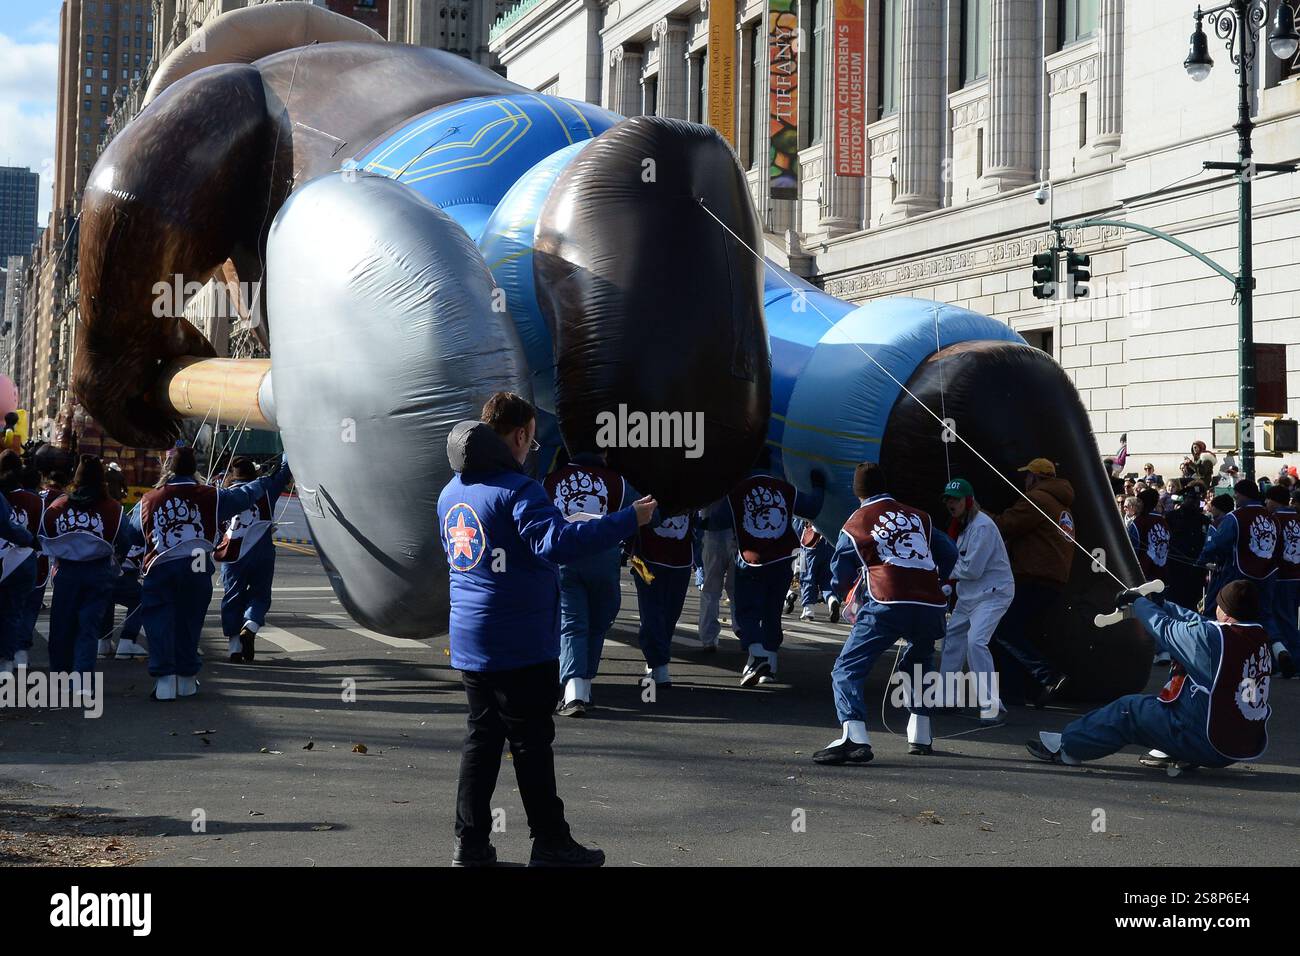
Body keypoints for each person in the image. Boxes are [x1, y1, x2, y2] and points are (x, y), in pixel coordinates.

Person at [438, 392, 656, 868]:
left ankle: (469, 843)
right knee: (532, 744)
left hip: (471, 638)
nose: (531, 448)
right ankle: (551, 841)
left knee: (481, 742)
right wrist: (627, 519)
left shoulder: (451, 492)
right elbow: (555, 543)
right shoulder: (518, 491)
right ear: (519, 435)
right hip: (519, 638)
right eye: (532, 439)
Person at [1027, 580, 1272, 771]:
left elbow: (1165, 628)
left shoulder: (1208, 639)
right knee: (1186, 694)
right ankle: (1172, 750)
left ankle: (1067, 748)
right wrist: (1161, 604)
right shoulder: (1257, 636)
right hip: (1241, 745)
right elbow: (1198, 623)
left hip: (1206, 743)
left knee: (1128, 709)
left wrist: (1140, 604)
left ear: (1226, 612)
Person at [814, 463, 958, 764]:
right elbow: (949, 552)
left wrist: (845, 595)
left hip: (888, 600)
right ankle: (921, 730)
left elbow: (839, 570)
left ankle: (854, 735)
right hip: (930, 603)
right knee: (920, 663)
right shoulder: (919, 516)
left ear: (858, 493)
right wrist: (936, 578)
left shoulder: (856, 522)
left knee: (848, 668)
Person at [131, 446, 291, 701]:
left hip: (161, 565)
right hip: (196, 565)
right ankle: (186, 680)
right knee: (189, 622)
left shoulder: (149, 499)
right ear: (194, 469)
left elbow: (131, 532)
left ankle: (164, 683)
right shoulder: (211, 495)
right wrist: (265, 480)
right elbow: (244, 496)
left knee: (159, 622)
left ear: (167, 468)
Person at [542, 449, 636, 715]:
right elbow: (642, 512)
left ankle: (573, 691)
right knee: (597, 623)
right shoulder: (617, 481)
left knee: (571, 624)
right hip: (604, 561)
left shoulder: (549, 481)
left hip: (565, 558)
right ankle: (584, 686)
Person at [721, 450, 825, 687]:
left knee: (746, 612)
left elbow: (719, 520)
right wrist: (819, 484)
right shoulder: (784, 489)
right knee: (772, 613)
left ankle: (756, 653)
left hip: (751, 561)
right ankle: (770, 666)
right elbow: (812, 507)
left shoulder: (736, 490)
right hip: (782, 561)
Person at [989, 458, 1074, 707]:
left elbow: (1005, 525)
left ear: (1035, 478)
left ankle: (1047, 675)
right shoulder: (1063, 506)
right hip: (1052, 579)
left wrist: (977, 512)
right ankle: (1019, 691)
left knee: (1002, 629)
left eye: (1027, 477)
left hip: (1032, 576)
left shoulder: (1037, 499)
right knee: (1020, 633)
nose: (1024, 481)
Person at [38, 456, 126, 694]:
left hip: (66, 571)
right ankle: (81, 678)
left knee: (62, 626)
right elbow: (125, 539)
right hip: (98, 571)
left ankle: (59, 676)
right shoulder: (112, 508)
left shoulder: (58, 506)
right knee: (89, 626)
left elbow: (44, 534)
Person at [937, 478, 1013, 721]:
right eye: (948, 499)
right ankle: (947, 698)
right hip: (972, 595)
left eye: (955, 499)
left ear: (968, 501)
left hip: (993, 593)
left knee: (975, 642)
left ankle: (993, 706)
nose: (950, 503)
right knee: (952, 641)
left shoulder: (981, 527)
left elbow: (972, 569)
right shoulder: (964, 526)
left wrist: (942, 569)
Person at [214, 457, 281, 664]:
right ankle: (250, 625)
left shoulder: (222, 495)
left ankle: (234, 646)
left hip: (233, 552)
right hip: (262, 550)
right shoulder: (267, 489)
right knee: (261, 594)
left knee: (232, 596)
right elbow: (286, 470)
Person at [1198, 478, 1276, 624]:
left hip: (1239, 576)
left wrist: (1202, 559)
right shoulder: (1271, 517)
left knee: (1229, 613)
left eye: (1237, 494)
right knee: (1264, 617)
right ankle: (1274, 646)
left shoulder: (1234, 517)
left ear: (1244, 495)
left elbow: (1217, 544)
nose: (1235, 497)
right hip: (1268, 576)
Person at [631, 511, 693, 687]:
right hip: (674, 558)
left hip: (651, 558)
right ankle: (658, 664)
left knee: (654, 611)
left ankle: (658, 664)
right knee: (664, 612)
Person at [99, 467, 147, 659]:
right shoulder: (119, 515)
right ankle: (127, 640)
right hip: (116, 570)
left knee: (107, 599)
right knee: (143, 597)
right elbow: (131, 543)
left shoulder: (87, 509)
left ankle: (102, 641)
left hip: (88, 571)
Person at [0, 452, 38, 674]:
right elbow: (7, 526)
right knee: (13, 612)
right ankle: (7, 661)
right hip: (19, 559)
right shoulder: (33, 500)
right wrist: (29, 540)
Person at [1263, 485, 1298, 677]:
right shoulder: (1297, 518)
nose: (1266, 503)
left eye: (1268, 500)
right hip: (1296, 573)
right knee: (1290, 618)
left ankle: (1291, 661)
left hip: (1280, 575)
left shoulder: (1274, 520)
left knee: (1281, 619)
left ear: (1274, 500)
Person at [695, 497, 735, 653]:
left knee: (711, 589)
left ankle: (708, 637)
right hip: (731, 532)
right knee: (734, 589)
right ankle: (743, 631)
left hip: (714, 531)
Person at [1165, 491, 1210, 611]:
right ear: (1185, 499)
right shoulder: (1171, 517)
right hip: (1176, 563)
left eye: (1196, 500)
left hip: (1196, 564)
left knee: (1193, 600)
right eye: (1191, 499)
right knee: (1176, 599)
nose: (1194, 502)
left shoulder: (1203, 519)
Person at [794, 516, 839, 623]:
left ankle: (808, 610)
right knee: (827, 577)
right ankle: (832, 599)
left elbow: (797, 525)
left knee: (807, 577)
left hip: (811, 542)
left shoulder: (811, 500)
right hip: (830, 542)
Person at [1128, 487, 1170, 583]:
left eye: (1139, 501)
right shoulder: (1164, 522)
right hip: (1162, 575)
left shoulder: (1139, 522)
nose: (1136, 505)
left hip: (1143, 576)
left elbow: (1131, 549)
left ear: (1144, 503)